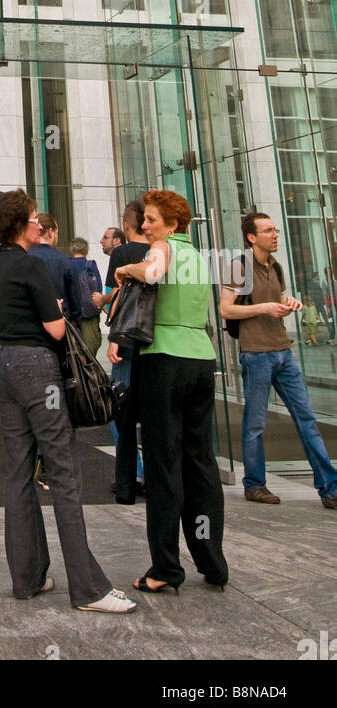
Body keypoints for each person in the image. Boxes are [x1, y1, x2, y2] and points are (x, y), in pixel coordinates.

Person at [0, 189, 135, 613]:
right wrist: (52, 311)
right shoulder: (31, 265)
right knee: (62, 470)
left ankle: (28, 577)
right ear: (23, 225)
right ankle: (89, 589)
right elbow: (57, 330)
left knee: (18, 470)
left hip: (1, 365)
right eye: (35, 218)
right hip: (37, 370)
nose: (39, 223)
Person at [112, 189, 229, 593]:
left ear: (172, 224)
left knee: (163, 464)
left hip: (164, 360)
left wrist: (128, 270)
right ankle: (213, 562)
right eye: (144, 219)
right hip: (201, 358)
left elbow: (155, 273)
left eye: (151, 219)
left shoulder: (161, 249)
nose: (145, 226)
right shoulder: (197, 256)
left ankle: (165, 568)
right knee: (200, 462)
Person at [219, 212, 337, 510]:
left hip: (284, 351)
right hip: (256, 354)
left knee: (307, 420)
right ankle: (255, 485)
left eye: (275, 229)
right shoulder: (238, 267)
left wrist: (289, 303)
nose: (275, 235)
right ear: (251, 237)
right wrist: (264, 308)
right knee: (255, 424)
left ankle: (330, 489)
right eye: (268, 230)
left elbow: (280, 300)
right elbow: (225, 310)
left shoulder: (277, 266)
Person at [102, 199, 149, 500]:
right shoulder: (161, 252)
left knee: (121, 407)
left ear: (127, 224)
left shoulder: (122, 253)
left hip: (127, 338)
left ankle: (131, 473)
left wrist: (114, 333)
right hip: (154, 340)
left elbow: (117, 294)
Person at [67, 237, 103, 357]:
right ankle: (90, 372)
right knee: (90, 347)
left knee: (75, 348)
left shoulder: (67, 265)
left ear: (72, 249)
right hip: (90, 313)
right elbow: (99, 288)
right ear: (86, 250)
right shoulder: (90, 265)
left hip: (72, 315)